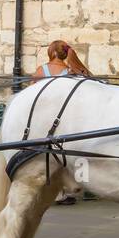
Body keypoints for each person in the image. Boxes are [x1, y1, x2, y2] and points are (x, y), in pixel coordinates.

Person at [32, 41, 93, 204]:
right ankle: (74, 188)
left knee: (48, 155)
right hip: (65, 120)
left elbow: (31, 95)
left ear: (51, 52)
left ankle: (55, 192)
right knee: (68, 155)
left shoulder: (41, 70)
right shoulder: (70, 72)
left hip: (44, 118)